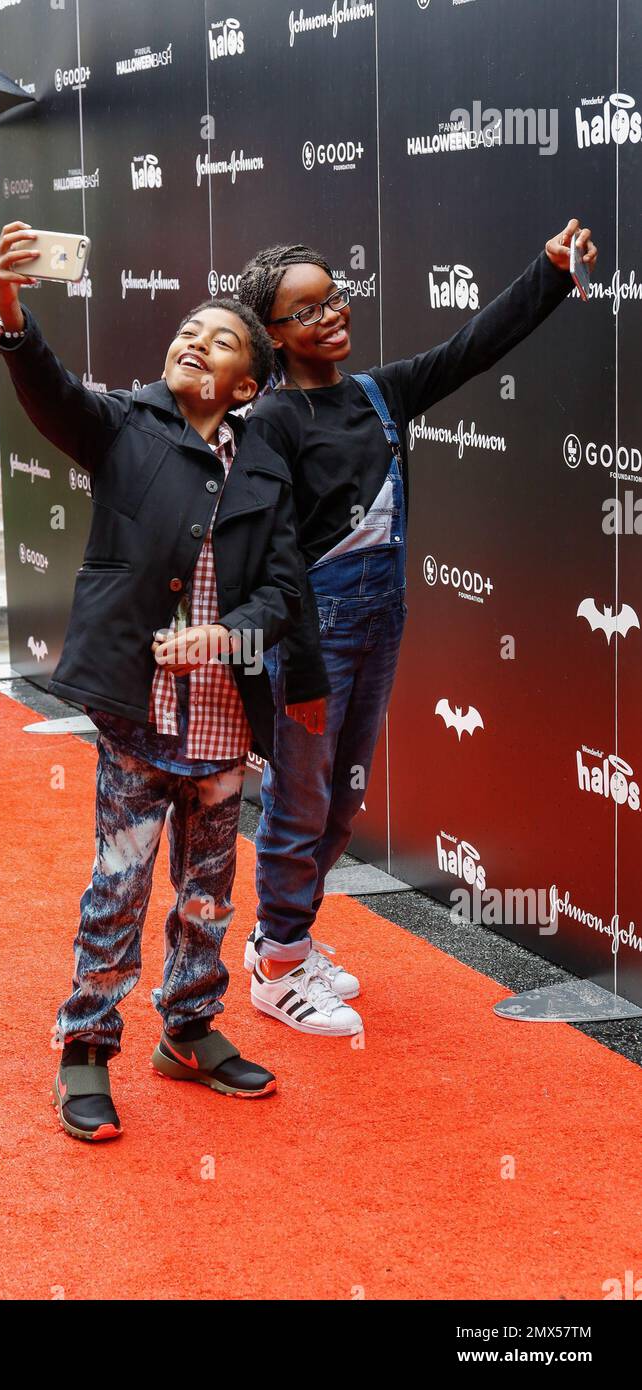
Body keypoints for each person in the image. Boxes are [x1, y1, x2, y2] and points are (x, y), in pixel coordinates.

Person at [236, 218, 598, 1037]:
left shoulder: (379, 391)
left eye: (334, 297)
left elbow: (473, 348)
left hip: (379, 624)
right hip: (312, 639)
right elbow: (271, 553)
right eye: (305, 310)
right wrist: (296, 663)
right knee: (298, 804)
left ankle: (279, 937)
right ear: (272, 333)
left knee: (340, 805)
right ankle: (278, 967)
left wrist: (546, 271)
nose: (330, 314)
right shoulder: (272, 422)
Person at [0, 220, 306, 1142]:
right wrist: (11, 309)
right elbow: (47, 392)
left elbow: (284, 591)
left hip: (222, 727)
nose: (192, 344)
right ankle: (85, 1049)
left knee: (209, 894)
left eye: (219, 341)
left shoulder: (263, 466)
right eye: (186, 331)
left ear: (247, 384)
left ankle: (190, 1029)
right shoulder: (125, 423)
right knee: (119, 887)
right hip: (140, 717)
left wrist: (223, 637)